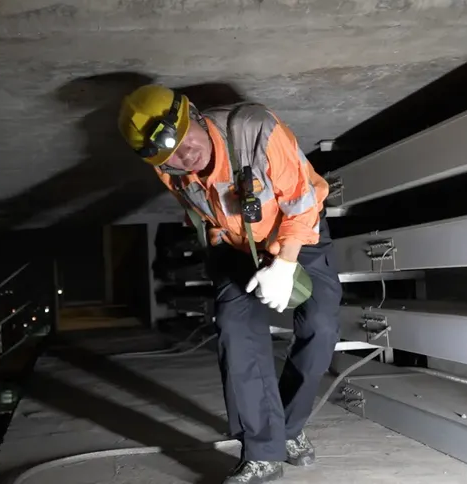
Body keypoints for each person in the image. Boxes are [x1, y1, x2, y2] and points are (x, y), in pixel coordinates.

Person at [117, 84, 342, 483]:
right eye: (170, 157)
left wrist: (285, 263)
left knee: (321, 328)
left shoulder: (254, 129)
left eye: (185, 142)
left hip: (297, 232)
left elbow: (301, 201)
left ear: (194, 116)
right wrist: (222, 251)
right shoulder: (169, 169)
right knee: (236, 332)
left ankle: (288, 431)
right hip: (237, 248)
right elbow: (198, 211)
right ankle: (261, 452)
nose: (185, 158)